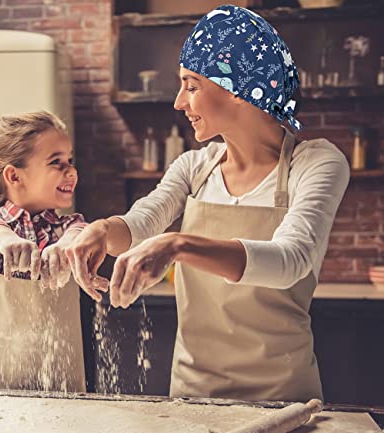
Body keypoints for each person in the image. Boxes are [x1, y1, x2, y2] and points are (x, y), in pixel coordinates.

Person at [65, 5, 350, 402]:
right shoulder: (194, 167)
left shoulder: (316, 163)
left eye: (192, 85)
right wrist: (100, 230)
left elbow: (291, 260)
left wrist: (178, 245)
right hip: (193, 392)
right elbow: (138, 224)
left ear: (236, 89)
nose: (180, 102)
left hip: (283, 398)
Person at [0, 110, 107, 391]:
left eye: (70, 161)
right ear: (14, 176)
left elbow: (80, 234)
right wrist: (7, 240)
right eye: (57, 162)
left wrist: (66, 246)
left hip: (59, 381)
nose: (71, 171)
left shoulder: (71, 227)